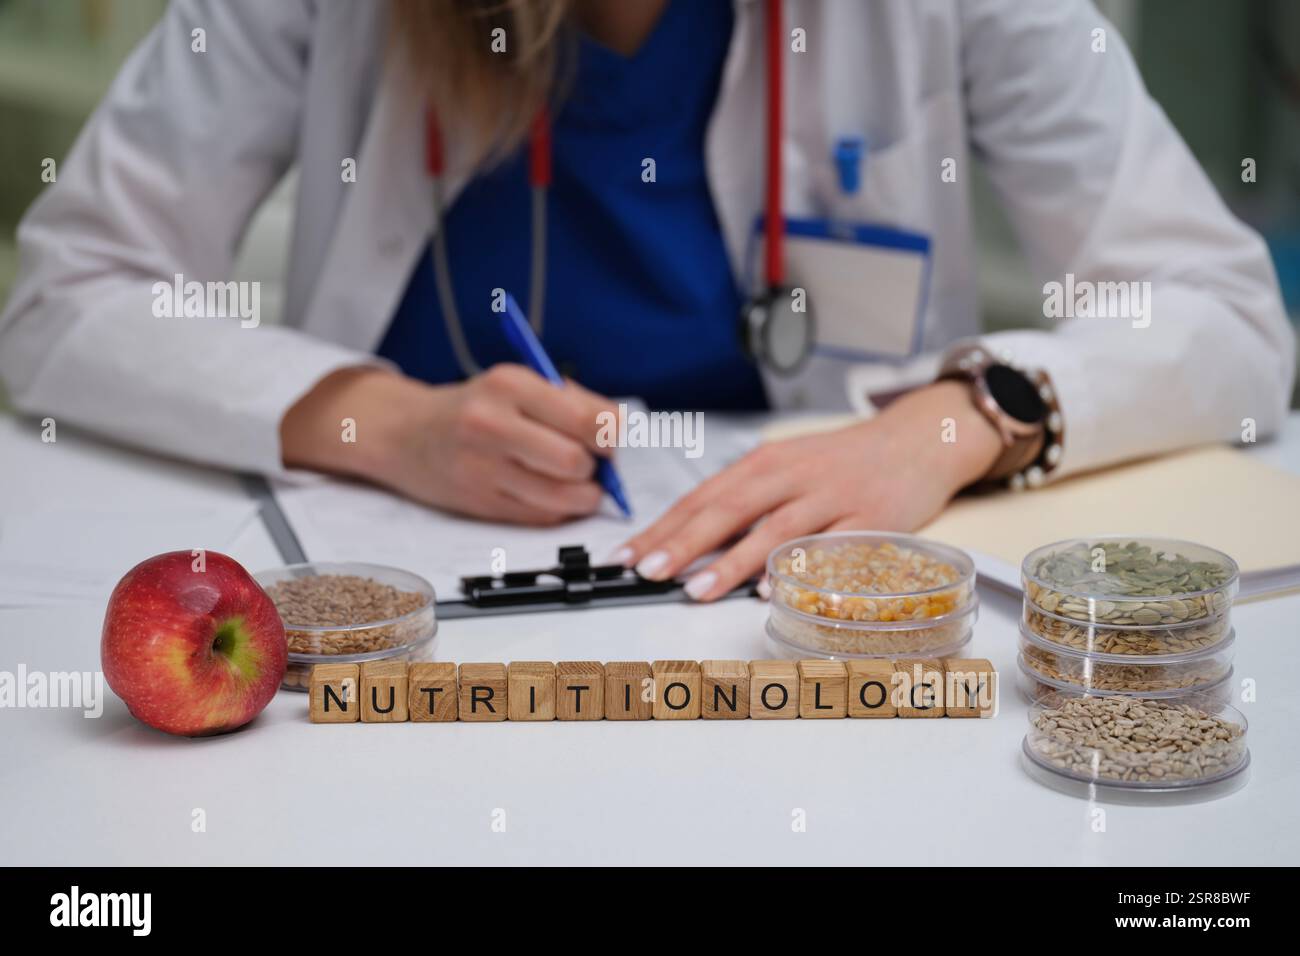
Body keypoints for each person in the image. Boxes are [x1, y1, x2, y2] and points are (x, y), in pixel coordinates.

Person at [0, 0, 1292, 603]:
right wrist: (382, 423)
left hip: (796, 620)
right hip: (403, 601)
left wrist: (948, 427)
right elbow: (66, 292)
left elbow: (1225, 311)